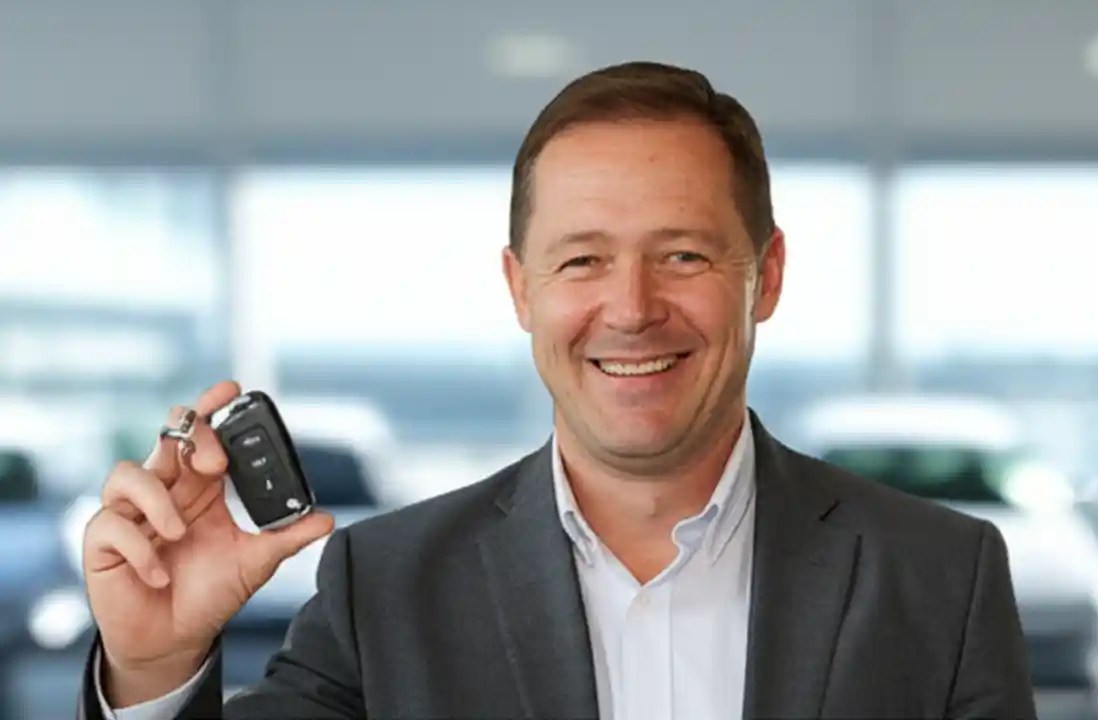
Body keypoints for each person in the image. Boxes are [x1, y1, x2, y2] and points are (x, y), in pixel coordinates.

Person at [78, 61, 1036, 719]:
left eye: (684, 254)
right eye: (582, 260)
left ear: (767, 275)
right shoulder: (386, 591)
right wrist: (155, 668)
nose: (631, 307)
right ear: (518, 289)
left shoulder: (940, 578)